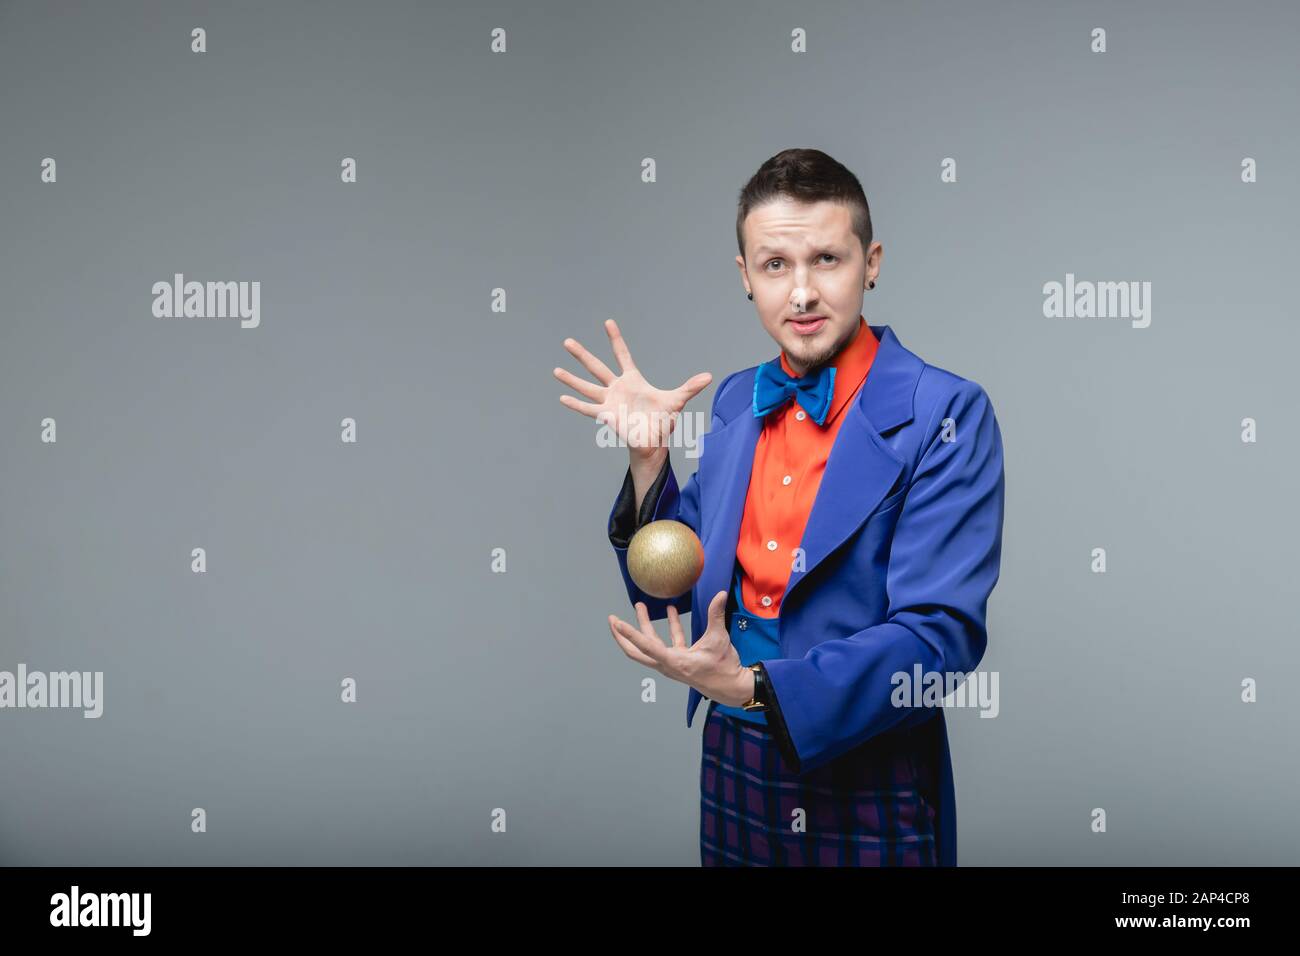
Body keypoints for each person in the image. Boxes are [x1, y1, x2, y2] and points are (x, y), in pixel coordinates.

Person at [554, 148, 1005, 866]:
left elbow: (939, 637)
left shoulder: (945, 412)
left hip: (866, 765)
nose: (801, 293)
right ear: (745, 276)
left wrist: (759, 687)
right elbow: (669, 591)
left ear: (871, 263)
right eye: (774, 265)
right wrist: (648, 461)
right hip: (734, 754)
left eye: (826, 259)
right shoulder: (737, 399)